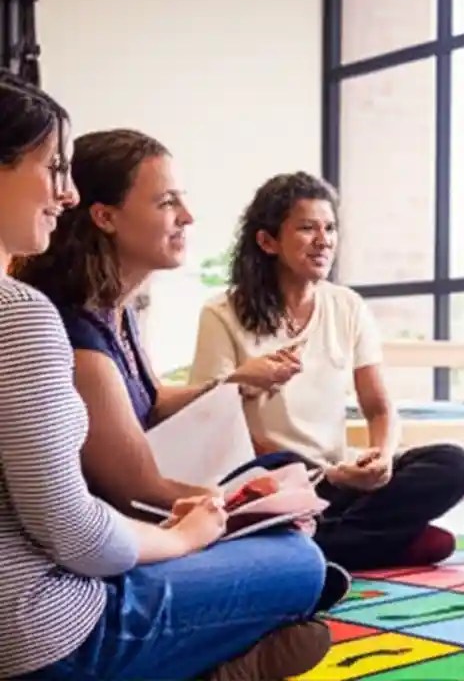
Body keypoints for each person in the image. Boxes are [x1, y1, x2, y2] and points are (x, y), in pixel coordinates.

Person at [0, 71, 330, 680]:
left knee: (274, 486)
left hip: (45, 600)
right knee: (303, 566)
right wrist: (191, 534)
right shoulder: (27, 318)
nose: (64, 193)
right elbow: (82, 531)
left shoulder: (98, 312)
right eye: (52, 169)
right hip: (46, 637)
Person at [188, 171, 464, 571]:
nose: (324, 241)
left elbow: (378, 406)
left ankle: (322, 545)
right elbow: (214, 424)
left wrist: (383, 457)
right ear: (268, 241)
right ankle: (374, 540)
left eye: (330, 228)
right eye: (307, 228)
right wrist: (322, 473)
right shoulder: (221, 314)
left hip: (339, 482)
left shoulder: (347, 306)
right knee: (282, 492)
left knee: (454, 464)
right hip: (275, 483)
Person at [12, 129, 303, 514]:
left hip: (151, 513)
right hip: (124, 539)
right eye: (168, 203)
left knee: (285, 471)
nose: (188, 217)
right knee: (300, 544)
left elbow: (146, 399)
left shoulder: (120, 311)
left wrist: (235, 381)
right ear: (105, 216)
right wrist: (249, 501)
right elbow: (139, 494)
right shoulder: (78, 338)